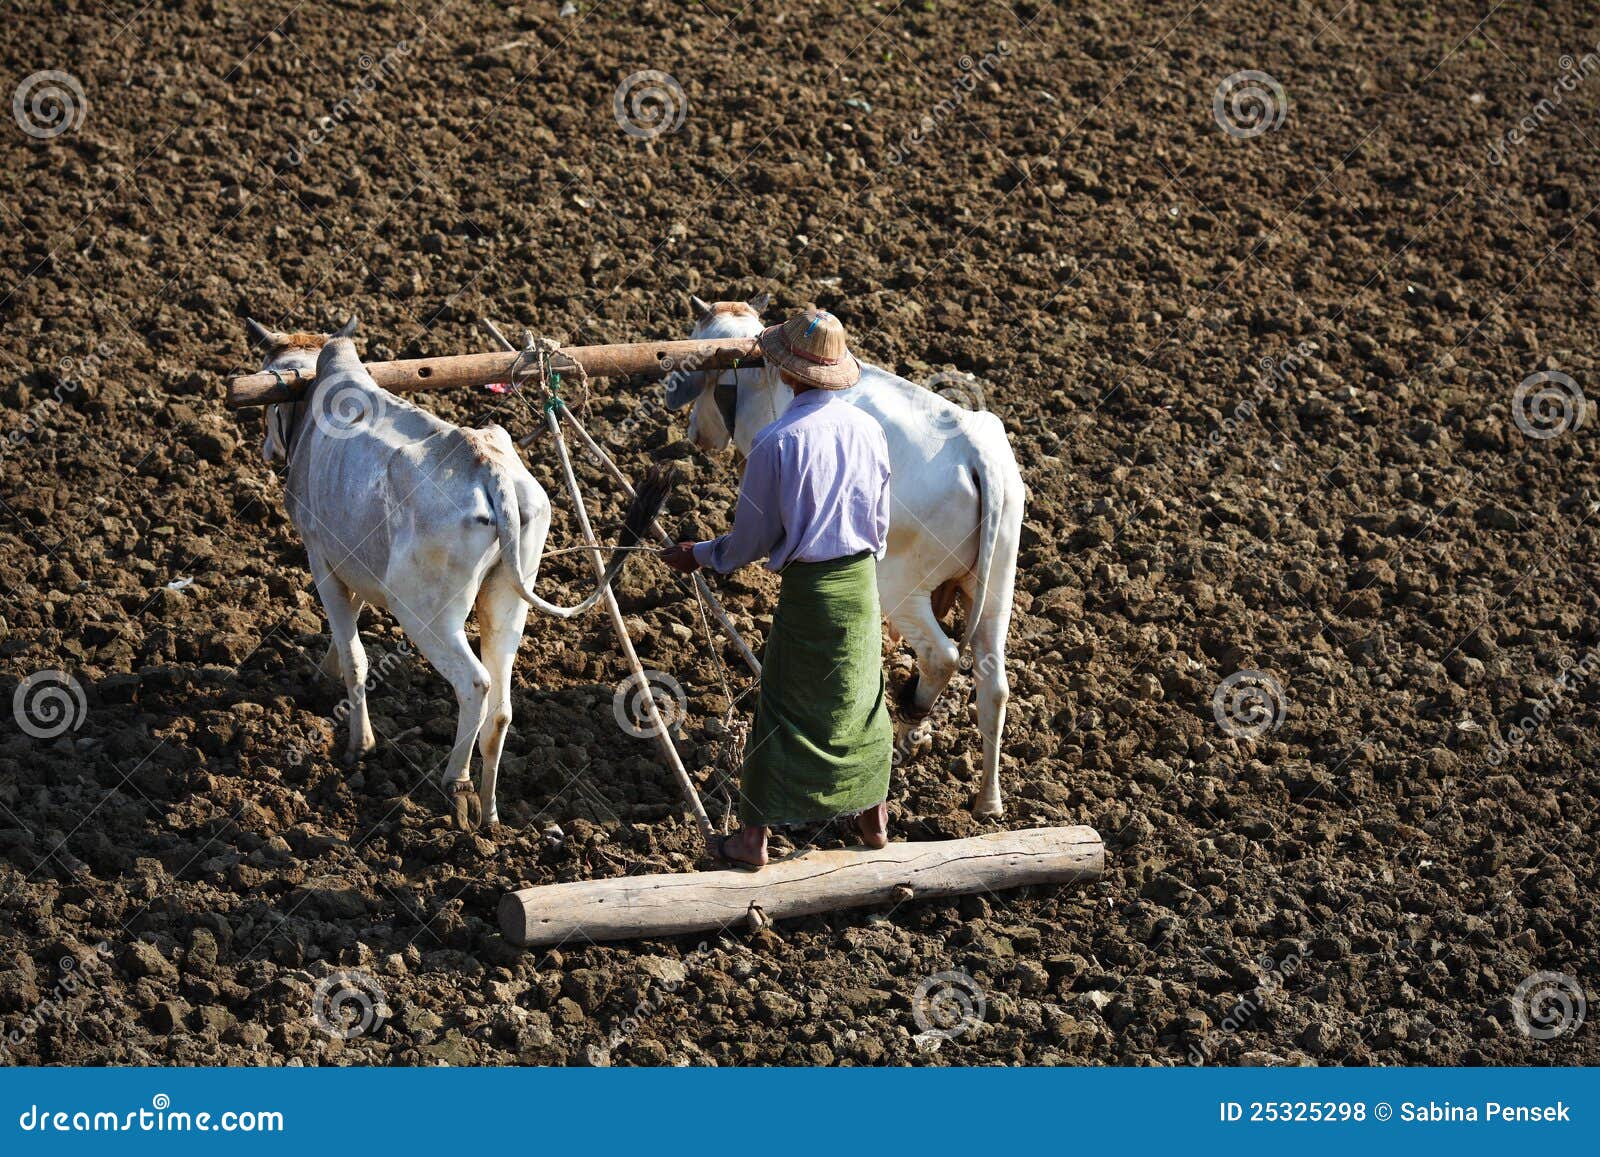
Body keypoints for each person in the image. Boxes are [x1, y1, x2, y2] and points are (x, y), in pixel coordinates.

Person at [661, 308, 894, 867]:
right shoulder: (870, 429)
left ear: (786, 372)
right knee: (862, 702)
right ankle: (873, 822)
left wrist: (698, 554)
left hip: (811, 592)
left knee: (782, 707)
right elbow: (881, 519)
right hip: (861, 586)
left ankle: (752, 841)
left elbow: (749, 542)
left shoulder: (775, 442)